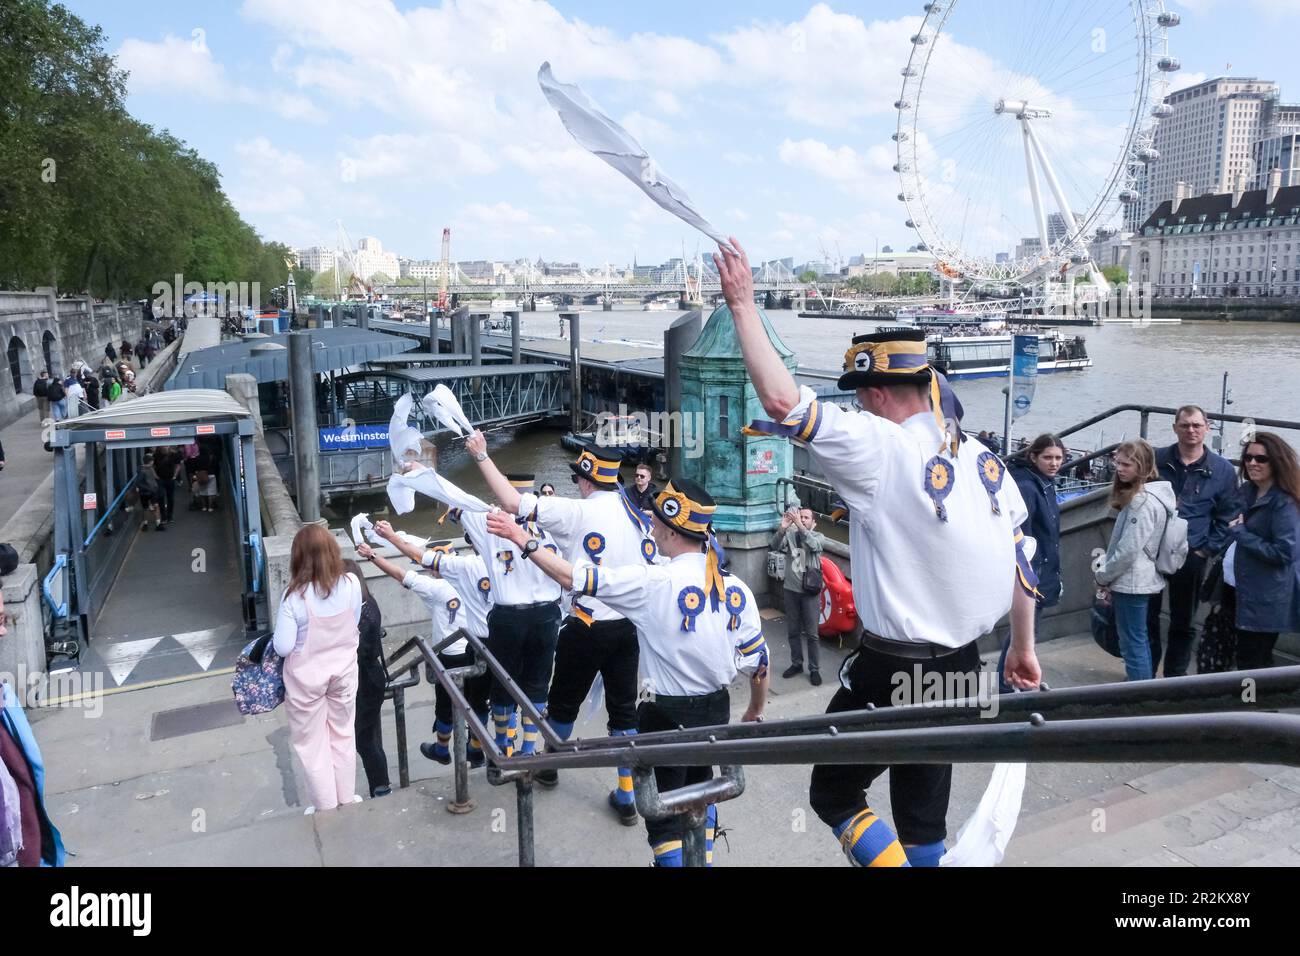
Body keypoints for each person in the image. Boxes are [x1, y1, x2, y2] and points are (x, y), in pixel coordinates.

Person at [714, 237, 1040, 868]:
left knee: (834, 790)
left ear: (879, 392)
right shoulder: (985, 461)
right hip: (964, 665)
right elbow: (1023, 566)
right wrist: (1022, 652)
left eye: (861, 394)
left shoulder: (881, 447)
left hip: (894, 669)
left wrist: (744, 306)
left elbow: (786, 403)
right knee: (923, 809)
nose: (859, 405)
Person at [486, 476, 769, 866]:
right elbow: (760, 666)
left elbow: (574, 577)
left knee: (663, 815)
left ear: (671, 531)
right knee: (703, 790)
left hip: (665, 716)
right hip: (716, 712)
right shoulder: (736, 589)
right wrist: (753, 711)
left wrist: (525, 541)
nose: (650, 524)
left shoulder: (653, 582)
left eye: (656, 520)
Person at [466, 438, 653, 824]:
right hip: (626, 628)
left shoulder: (577, 512)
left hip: (585, 627)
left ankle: (549, 766)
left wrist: (482, 454)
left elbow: (513, 502)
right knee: (623, 710)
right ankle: (627, 794)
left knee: (563, 704)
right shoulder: (635, 514)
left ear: (586, 481)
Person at [388, 461, 563, 762]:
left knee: (502, 689)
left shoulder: (489, 523)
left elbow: (455, 498)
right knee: (536, 686)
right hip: (548, 616)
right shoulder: (554, 522)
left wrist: (422, 474)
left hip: (509, 618)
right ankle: (530, 749)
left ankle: (503, 753)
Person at [361, 532, 486, 768]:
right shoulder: (471, 577)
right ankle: (476, 750)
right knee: (478, 702)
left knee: (445, 704)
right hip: (477, 649)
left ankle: (441, 748)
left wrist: (371, 555)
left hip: (449, 655)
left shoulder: (437, 587)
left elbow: (400, 574)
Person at [273, 524, 363, 814]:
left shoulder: (294, 597)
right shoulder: (351, 583)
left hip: (306, 682)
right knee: (343, 733)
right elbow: (355, 621)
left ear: (298, 557)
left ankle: (325, 806)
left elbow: (283, 647)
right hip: (345, 673)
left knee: (313, 744)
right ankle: (347, 797)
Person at [1147, 405, 1238, 676]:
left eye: (1197, 425)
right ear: (1175, 427)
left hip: (1192, 553)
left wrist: (1206, 550)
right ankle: (1145, 674)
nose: (1191, 430)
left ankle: (1175, 677)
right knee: (1147, 617)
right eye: (1185, 425)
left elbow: (1227, 515)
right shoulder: (1156, 460)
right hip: (1151, 552)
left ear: (1207, 428)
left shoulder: (1222, 470)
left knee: (1183, 620)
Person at [1093, 440, 1175, 682]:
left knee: (1132, 641)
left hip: (1132, 581)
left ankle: (1137, 694)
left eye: (1126, 464)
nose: (1119, 468)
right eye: (1118, 463)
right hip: (1143, 579)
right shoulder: (1157, 497)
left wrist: (1103, 576)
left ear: (1143, 467)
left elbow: (1127, 551)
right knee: (1138, 638)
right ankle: (1141, 688)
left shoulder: (1141, 502)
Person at [1222, 433, 1300, 670]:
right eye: (1248, 458)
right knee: (1245, 656)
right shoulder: (1248, 491)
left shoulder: (1284, 503)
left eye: (1261, 459)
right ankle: (1251, 701)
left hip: (1265, 597)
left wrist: (1242, 533)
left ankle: (1251, 703)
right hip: (1238, 587)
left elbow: (1284, 553)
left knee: (1253, 660)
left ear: (1276, 461)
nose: (1252, 463)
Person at [998, 434, 1067, 692]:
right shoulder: (1029, 487)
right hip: (1032, 576)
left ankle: (1011, 685)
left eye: (1058, 458)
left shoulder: (1044, 483)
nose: (1054, 463)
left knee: (1023, 635)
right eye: (1047, 457)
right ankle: (1009, 687)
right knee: (1022, 636)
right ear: (1033, 456)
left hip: (1043, 570)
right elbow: (1021, 539)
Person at [340, 559, 391, 798]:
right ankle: (380, 787)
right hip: (368, 679)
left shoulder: (362, 611)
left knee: (362, 738)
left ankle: (380, 787)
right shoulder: (367, 604)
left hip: (366, 681)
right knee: (365, 737)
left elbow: (360, 649)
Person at [770, 502, 825, 685]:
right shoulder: (790, 535)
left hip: (810, 592)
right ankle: (796, 663)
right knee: (793, 631)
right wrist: (783, 528)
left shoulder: (818, 536)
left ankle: (814, 669)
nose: (802, 520)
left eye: (806, 517)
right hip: (791, 590)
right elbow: (775, 545)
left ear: (813, 522)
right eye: (800, 517)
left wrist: (800, 528)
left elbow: (814, 545)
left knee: (812, 634)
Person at [152, 446, 180, 526]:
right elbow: (152, 467)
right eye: (163, 446)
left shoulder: (174, 455)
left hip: (170, 479)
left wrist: (174, 476)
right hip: (160, 479)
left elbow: (178, 465)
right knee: (161, 498)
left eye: (166, 446)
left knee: (170, 498)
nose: (165, 447)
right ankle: (164, 517)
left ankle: (170, 516)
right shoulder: (156, 455)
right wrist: (156, 477)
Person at [135, 453, 164, 532]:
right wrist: (149, 488)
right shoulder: (143, 471)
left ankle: (149, 524)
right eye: (152, 460)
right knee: (148, 508)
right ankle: (155, 524)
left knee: (150, 507)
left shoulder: (147, 469)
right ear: (150, 461)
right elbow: (138, 482)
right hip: (147, 492)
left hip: (149, 492)